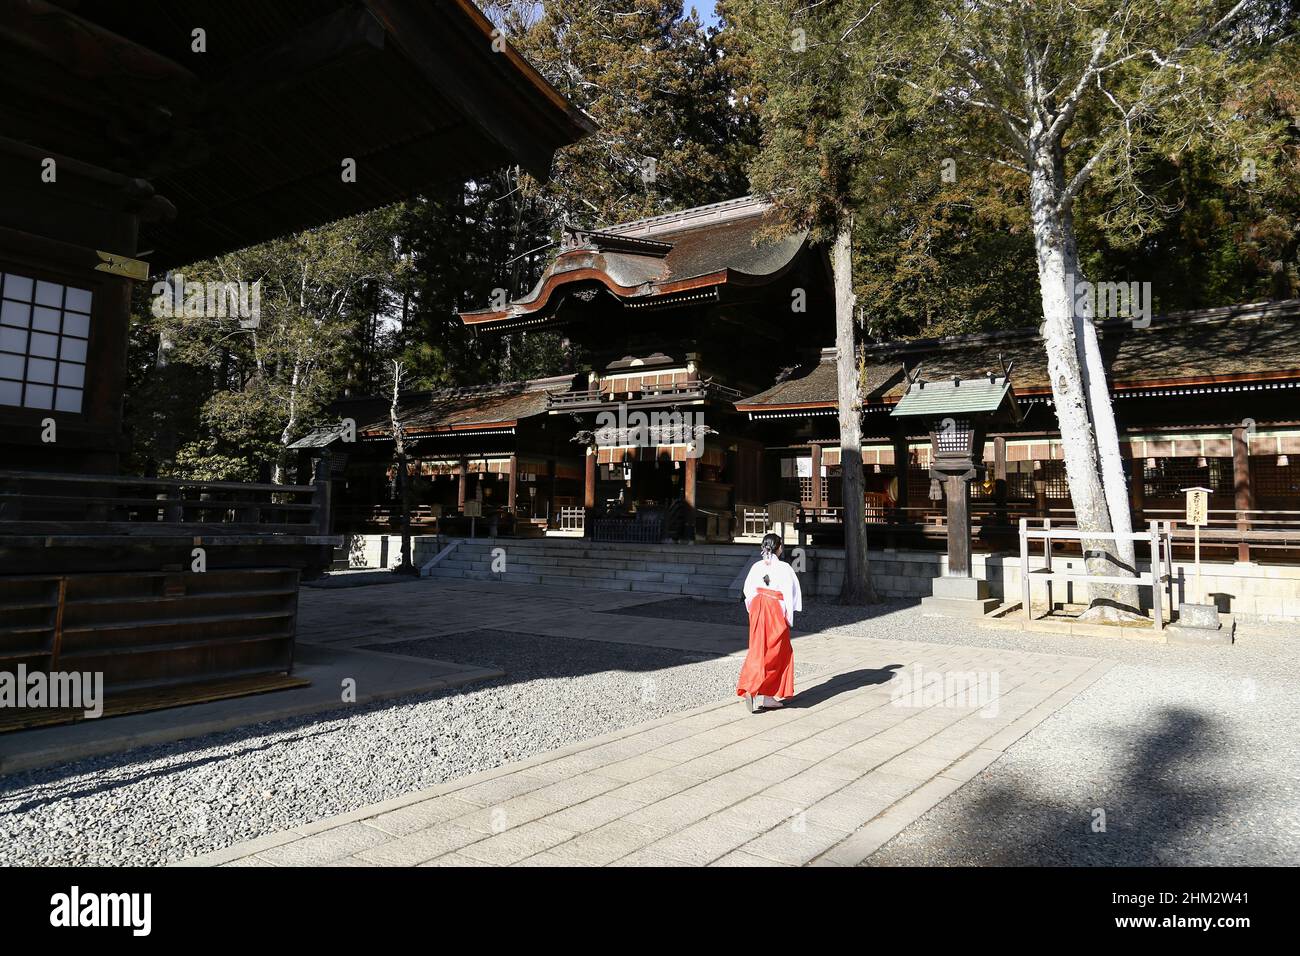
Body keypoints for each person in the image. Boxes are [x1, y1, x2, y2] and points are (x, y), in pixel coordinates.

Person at [737, 532, 801, 713]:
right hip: (774, 609)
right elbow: (790, 592)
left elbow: (748, 590)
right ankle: (764, 694)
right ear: (779, 547)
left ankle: (758, 691)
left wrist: (753, 608)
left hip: (758, 606)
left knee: (758, 649)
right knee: (778, 652)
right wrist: (788, 616)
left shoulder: (756, 566)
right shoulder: (784, 568)